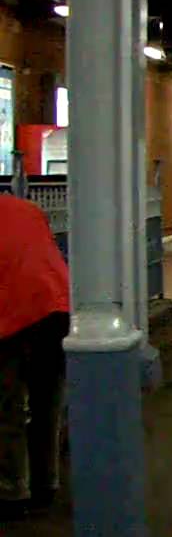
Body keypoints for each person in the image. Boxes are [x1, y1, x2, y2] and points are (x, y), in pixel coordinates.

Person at [0, 194, 70, 519]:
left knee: (7, 405)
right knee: (46, 402)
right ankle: (46, 483)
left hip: (13, 315)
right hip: (56, 308)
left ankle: (12, 490)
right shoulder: (27, 208)